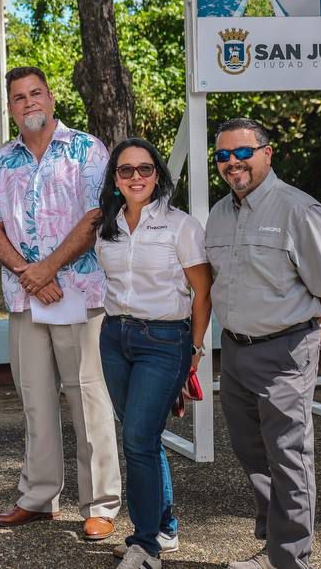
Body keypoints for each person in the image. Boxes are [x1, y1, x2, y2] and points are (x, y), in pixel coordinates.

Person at [0, 66, 122, 539]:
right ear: (11, 107)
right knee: (35, 400)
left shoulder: (86, 149)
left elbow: (95, 215)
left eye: (35, 93)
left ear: (51, 97)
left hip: (79, 295)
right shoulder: (1, 162)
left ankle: (100, 503)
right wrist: (29, 273)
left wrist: (48, 269)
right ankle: (39, 497)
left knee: (89, 400)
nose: (28, 103)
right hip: (25, 298)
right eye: (18, 97)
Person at [206, 118, 321, 569]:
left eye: (243, 152)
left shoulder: (298, 211)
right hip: (234, 351)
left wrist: (298, 330)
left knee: (289, 458)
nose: (234, 163)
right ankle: (273, 551)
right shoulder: (218, 213)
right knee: (255, 457)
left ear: (268, 152)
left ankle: (291, 561)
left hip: (284, 352)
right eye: (224, 156)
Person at [94, 138, 212, 569]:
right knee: (143, 438)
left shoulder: (181, 226)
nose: (136, 177)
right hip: (114, 338)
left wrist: (195, 349)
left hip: (165, 342)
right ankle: (165, 526)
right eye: (126, 170)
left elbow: (202, 293)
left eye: (145, 169)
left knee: (137, 441)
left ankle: (145, 546)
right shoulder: (107, 226)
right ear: (115, 180)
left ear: (157, 175)